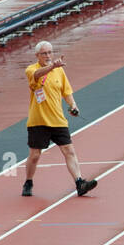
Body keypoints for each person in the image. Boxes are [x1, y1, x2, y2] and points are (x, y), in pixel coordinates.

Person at [22, 40, 97, 199]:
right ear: (37, 56)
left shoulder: (59, 72)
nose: (48, 56)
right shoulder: (31, 69)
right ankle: (28, 181)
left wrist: (73, 105)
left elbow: (66, 91)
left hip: (58, 120)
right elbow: (37, 75)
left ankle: (79, 183)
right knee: (35, 155)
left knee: (69, 151)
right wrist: (52, 67)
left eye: (50, 52)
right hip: (38, 121)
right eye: (44, 53)